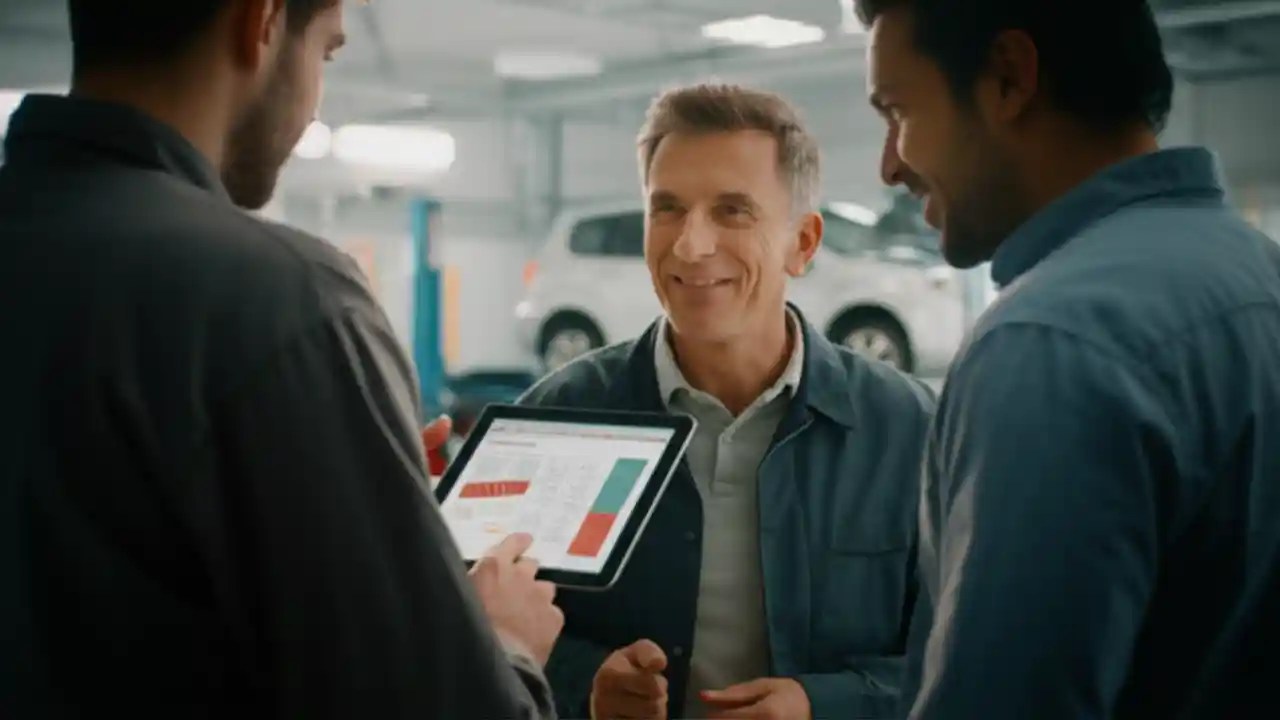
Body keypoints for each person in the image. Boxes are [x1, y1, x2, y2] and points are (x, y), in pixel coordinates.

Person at [0, 1, 562, 716]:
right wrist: (507, 640)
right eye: (325, 53)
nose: (314, 96)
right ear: (261, 21)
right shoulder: (283, 298)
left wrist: (343, 483)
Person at [854, 1, 1280, 718]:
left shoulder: (1048, 344)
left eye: (898, 112)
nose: (891, 165)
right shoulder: (1260, 277)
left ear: (1009, 79)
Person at [520, 84, 936, 720]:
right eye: (667, 209)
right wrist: (585, 682)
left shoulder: (910, 430)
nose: (690, 245)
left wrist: (819, 705)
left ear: (803, 242)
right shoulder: (559, 417)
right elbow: (481, 627)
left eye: (733, 211)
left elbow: (959, 653)